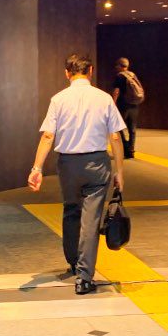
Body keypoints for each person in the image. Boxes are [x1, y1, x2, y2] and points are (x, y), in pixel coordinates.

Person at [29, 53, 126, 295]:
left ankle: (73, 260)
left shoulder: (58, 99)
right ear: (90, 71)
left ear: (67, 73)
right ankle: (84, 277)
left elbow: (48, 135)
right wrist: (120, 172)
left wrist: (37, 168)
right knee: (90, 220)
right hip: (97, 164)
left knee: (71, 209)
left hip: (68, 165)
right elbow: (115, 136)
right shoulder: (104, 98)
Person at [111, 57, 145, 159]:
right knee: (132, 129)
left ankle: (125, 147)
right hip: (134, 105)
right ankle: (131, 151)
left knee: (118, 127)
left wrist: (113, 103)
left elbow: (116, 91)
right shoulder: (132, 75)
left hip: (123, 105)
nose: (115, 67)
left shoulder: (120, 76)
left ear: (120, 66)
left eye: (117, 65)